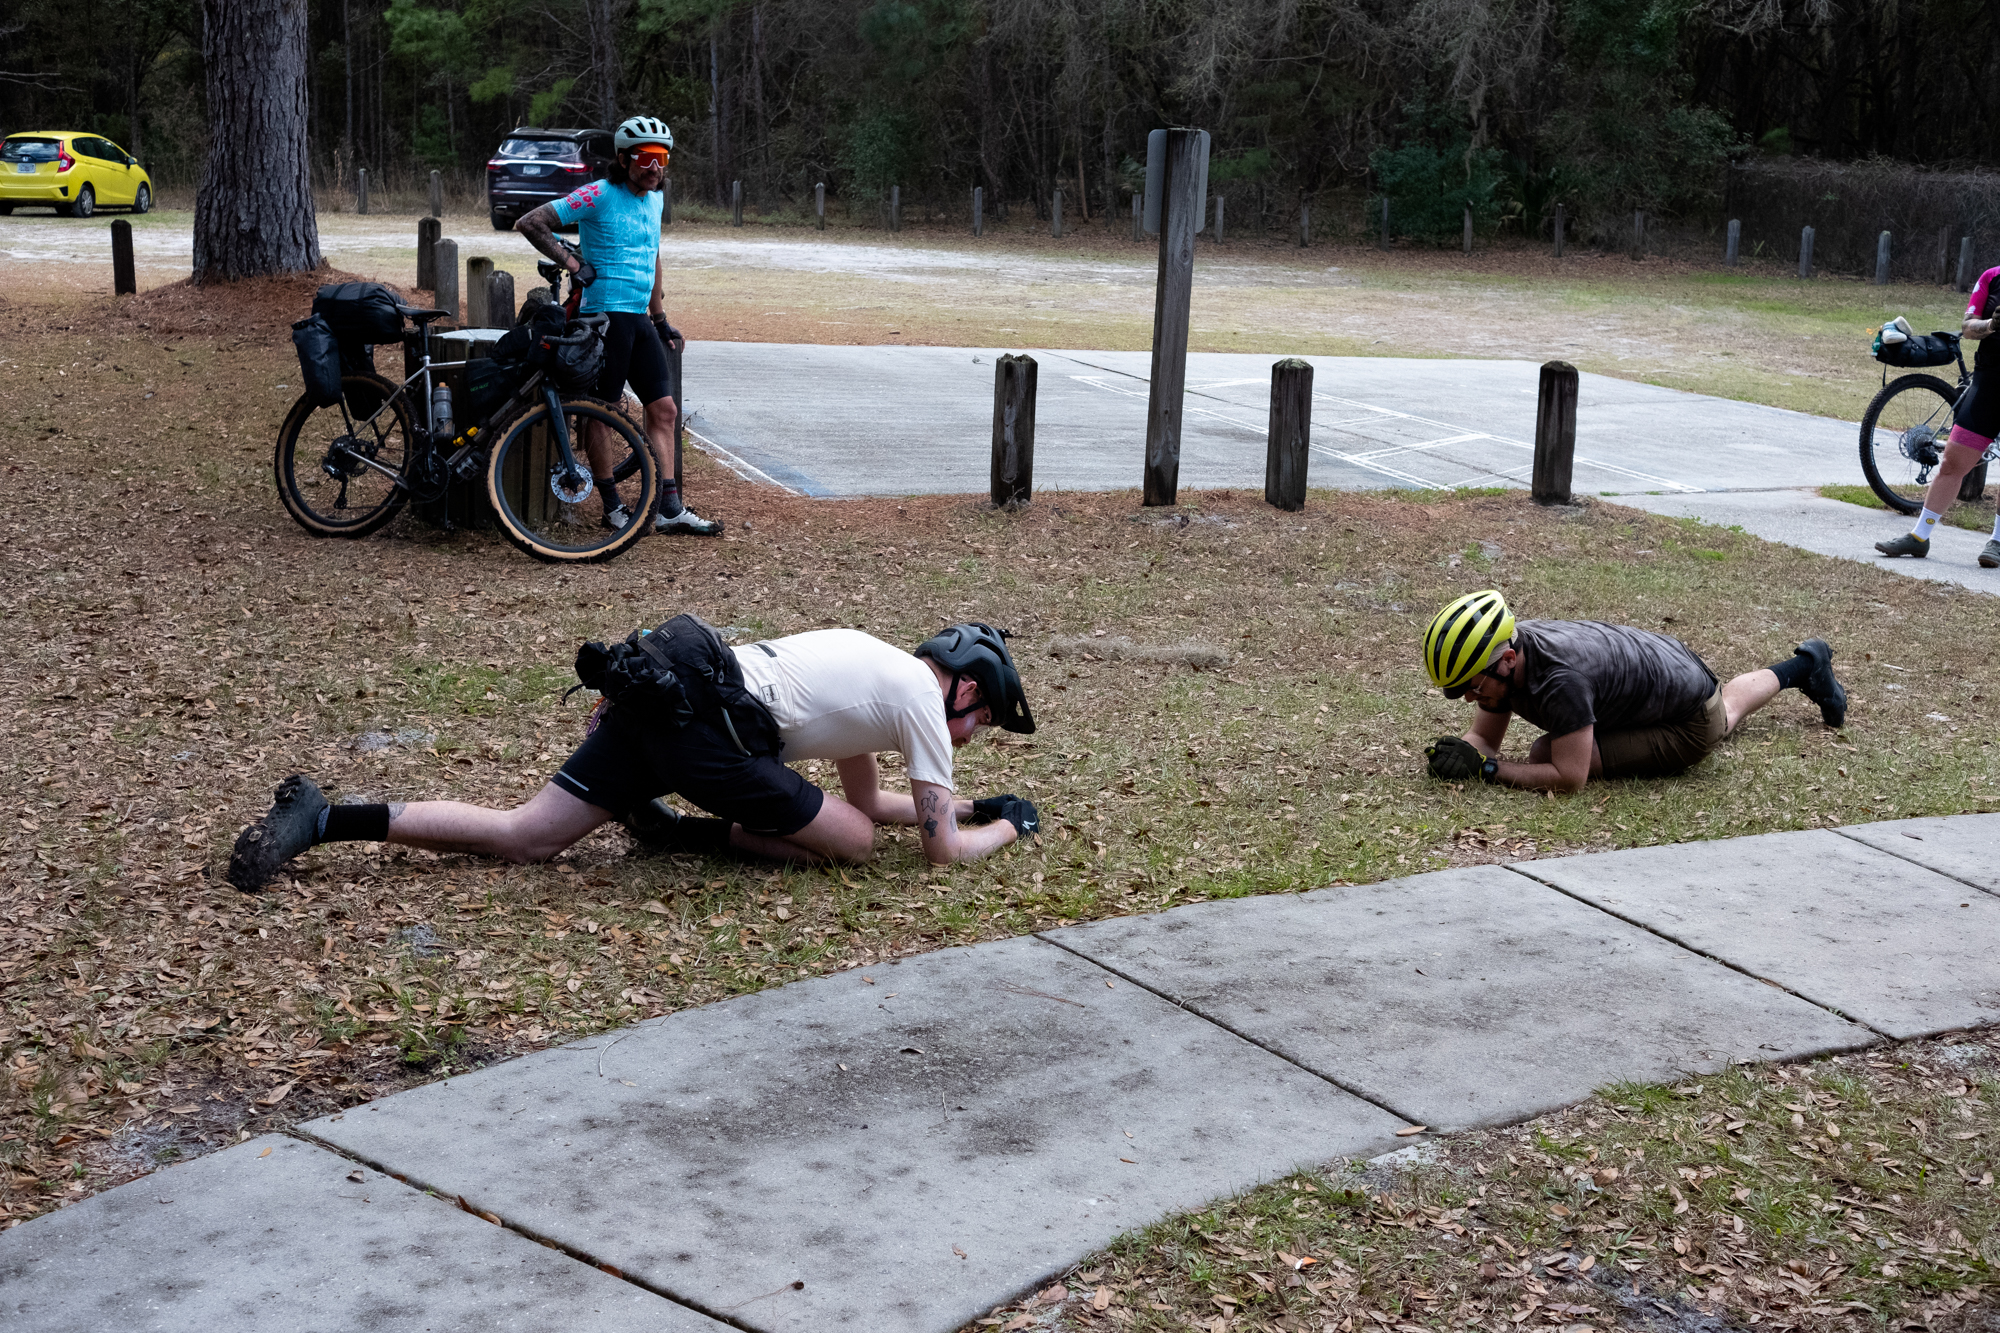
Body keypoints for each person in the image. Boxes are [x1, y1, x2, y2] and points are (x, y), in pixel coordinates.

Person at [226, 622, 1041, 891]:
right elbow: (933, 855)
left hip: (666, 697)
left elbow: (864, 801)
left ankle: (325, 817)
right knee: (856, 852)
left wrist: (976, 803)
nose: (968, 741)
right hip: (711, 735)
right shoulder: (918, 699)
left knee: (526, 836)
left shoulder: (880, 665)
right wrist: (1011, 829)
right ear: (965, 691)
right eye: (981, 725)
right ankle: (673, 831)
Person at [1419, 589, 1846, 793]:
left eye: (1472, 687)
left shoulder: (1559, 679)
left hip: (1686, 718)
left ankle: (1807, 668)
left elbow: (1569, 779)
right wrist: (1460, 752)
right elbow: (1482, 742)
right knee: (1728, 701)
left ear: (1507, 661)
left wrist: (1488, 771)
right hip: (1669, 665)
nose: (1471, 699)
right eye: (1458, 693)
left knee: (1721, 717)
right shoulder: (1510, 650)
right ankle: (1806, 666)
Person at [516, 114, 720, 537]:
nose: (655, 168)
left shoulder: (656, 200)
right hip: (603, 318)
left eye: (661, 158)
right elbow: (531, 222)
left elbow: (653, 257)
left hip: (639, 319)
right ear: (624, 159)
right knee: (601, 413)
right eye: (646, 158)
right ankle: (612, 507)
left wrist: (660, 319)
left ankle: (668, 507)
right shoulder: (599, 194)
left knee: (664, 411)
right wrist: (574, 263)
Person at [1875, 268, 2000, 567]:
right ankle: (1919, 537)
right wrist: (1993, 324)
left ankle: (1997, 541)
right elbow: (1968, 328)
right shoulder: (1991, 277)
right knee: (1952, 462)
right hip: (1989, 382)